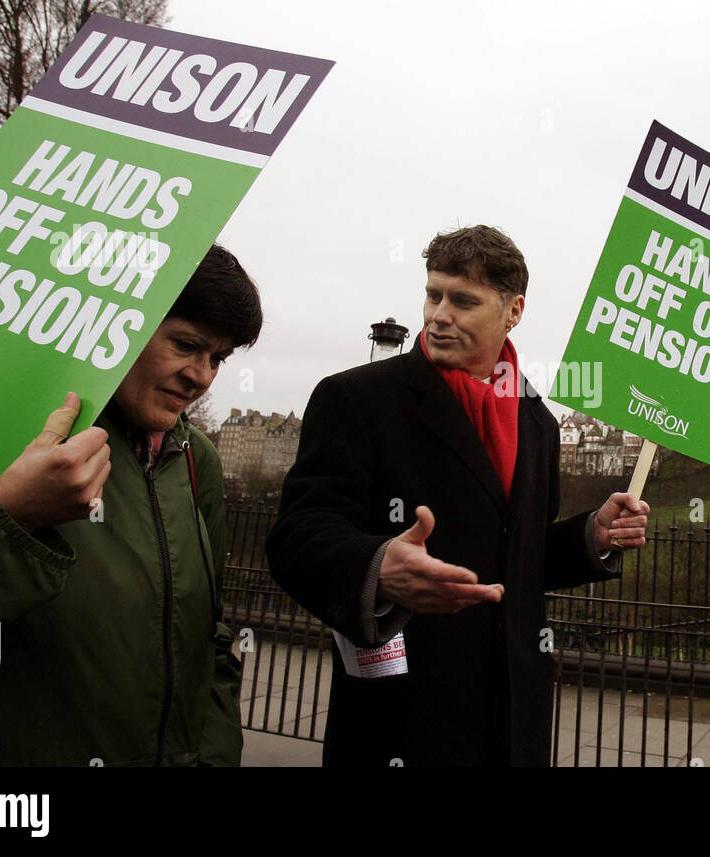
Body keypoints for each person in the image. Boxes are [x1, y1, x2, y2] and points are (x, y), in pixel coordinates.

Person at [268, 225, 649, 766]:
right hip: (403, 718)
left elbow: (521, 558)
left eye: (463, 301)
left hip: (514, 718)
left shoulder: (536, 419)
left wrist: (593, 536)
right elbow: (296, 537)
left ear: (513, 310)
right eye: (433, 294)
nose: (438, 314)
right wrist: (377, 568)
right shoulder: (354, 398)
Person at [0, 244, 261, 766]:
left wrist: (211, 754)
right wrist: (10, 519)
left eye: (218, 358)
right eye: (185, 345)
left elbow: (210, 638)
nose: (202, 376)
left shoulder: (197, 457)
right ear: (118, 324)